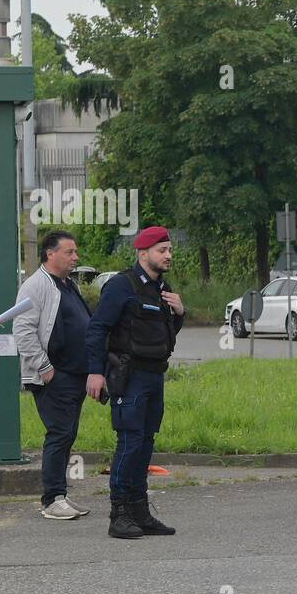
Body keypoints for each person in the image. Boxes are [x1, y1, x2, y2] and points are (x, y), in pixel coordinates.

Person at [85, 226, 185, 539]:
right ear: (143, 254)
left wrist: (180, 312)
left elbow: (165, 331)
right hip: (129, 376)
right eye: (161, 250)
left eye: (169, 250)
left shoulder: (163, 287)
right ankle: (120, 513)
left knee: (145, 442)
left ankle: (140, 511)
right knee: (129, 443)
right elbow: (97, 329)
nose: (167, 255)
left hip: (155, 375)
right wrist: (95, 372)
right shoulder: (121, 285)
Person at [15, 230, 92, 520]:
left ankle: (60, 494)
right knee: (59, 434)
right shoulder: (35, 286)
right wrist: (44, 368)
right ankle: (51, 500)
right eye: (69, 252)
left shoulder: (67, 284)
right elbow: (23, 330)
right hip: (53, 376)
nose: (76, 257)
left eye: (75, 252)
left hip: (75, 375)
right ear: (51, 254)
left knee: (67, 433)